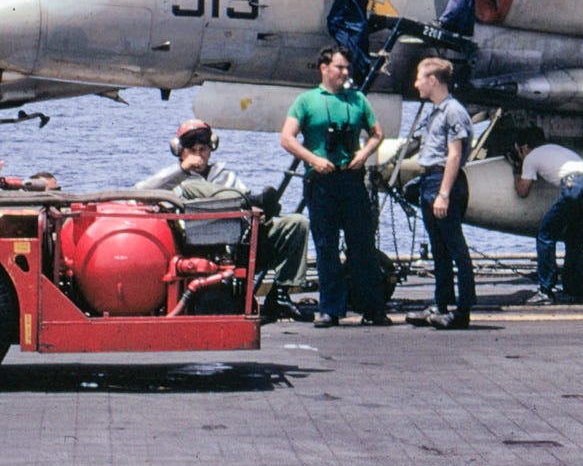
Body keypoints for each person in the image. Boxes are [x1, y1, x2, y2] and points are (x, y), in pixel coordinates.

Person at [140, 118, 313, 320]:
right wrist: (183, 170)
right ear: (180, 152)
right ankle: (247, 200)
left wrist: (258, 213)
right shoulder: (174, 180)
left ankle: (280, 295)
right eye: (192, 150)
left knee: (297, 223)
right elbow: (141, 192)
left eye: (203, 149)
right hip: (195, 250)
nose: (198, 156)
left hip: (239, 246)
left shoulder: (225, 177)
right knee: (193, 188)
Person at [278, 49, 390, 328]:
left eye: (347, 68)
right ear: (324, 68)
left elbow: (378, 133)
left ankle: (373, 308)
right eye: (339, 67)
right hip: (322, 183)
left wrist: (363, 155)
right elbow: (287, 138)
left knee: (362, 245)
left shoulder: (358, 99)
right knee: (326, 246)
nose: (344, 73)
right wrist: (314, 160)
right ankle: (331, 309)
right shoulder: (306, 101)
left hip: (351, 180)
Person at [409, 56, 476, 329]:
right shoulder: (435, 111)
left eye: (420, 78)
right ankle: (442, 305)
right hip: (430, 181)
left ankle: (462, 311)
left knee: (455, 247)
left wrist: (444, 194)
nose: (416, 84)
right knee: (439, 249)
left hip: (442, 182)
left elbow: (454, 155)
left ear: (433, 80)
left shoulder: (453, 111)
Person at [510, 127, 583, 305]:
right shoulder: (556, 149)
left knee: (546, 236)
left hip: (575, 187)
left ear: (523, 148)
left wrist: (517, 170)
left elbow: (522, 191)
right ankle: (578, 290)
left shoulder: (531, 157)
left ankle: (545, 290)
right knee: (575, 240)